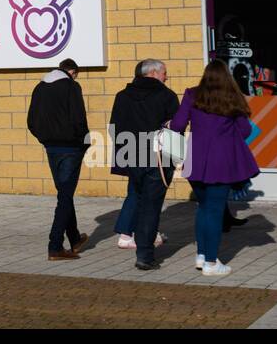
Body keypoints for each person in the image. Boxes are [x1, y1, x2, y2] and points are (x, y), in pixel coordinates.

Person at [170, 60, 260, 278]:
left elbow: (178, 126)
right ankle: (211, 261)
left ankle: (201, 255)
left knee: (203, 207)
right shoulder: (232, 97)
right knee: (214, 210)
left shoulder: (192, 94)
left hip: (195, 160)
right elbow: (246, 130)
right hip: (222, 161)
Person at [110, 58, 180, 270]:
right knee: (151, 206)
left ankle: (135, 240)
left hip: (131, 157)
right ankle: (145, 255)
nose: (166, 77)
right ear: (152, 73)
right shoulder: (166, 96)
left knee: (138, 198)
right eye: (164, 72)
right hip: (158, 159)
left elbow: (114, 127)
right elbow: (176, 130)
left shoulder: (122, 96)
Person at [27, 58, 91, 260]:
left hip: (51, 147)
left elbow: (31, 120)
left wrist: (43, 138)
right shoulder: (72, 87)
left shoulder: (40, 87)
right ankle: (55, 245)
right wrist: (84, 142)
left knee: (65, 192)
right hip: (71, 148)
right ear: (72, 72)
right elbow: (79, 118)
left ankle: (74, 238)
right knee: (64, 196)